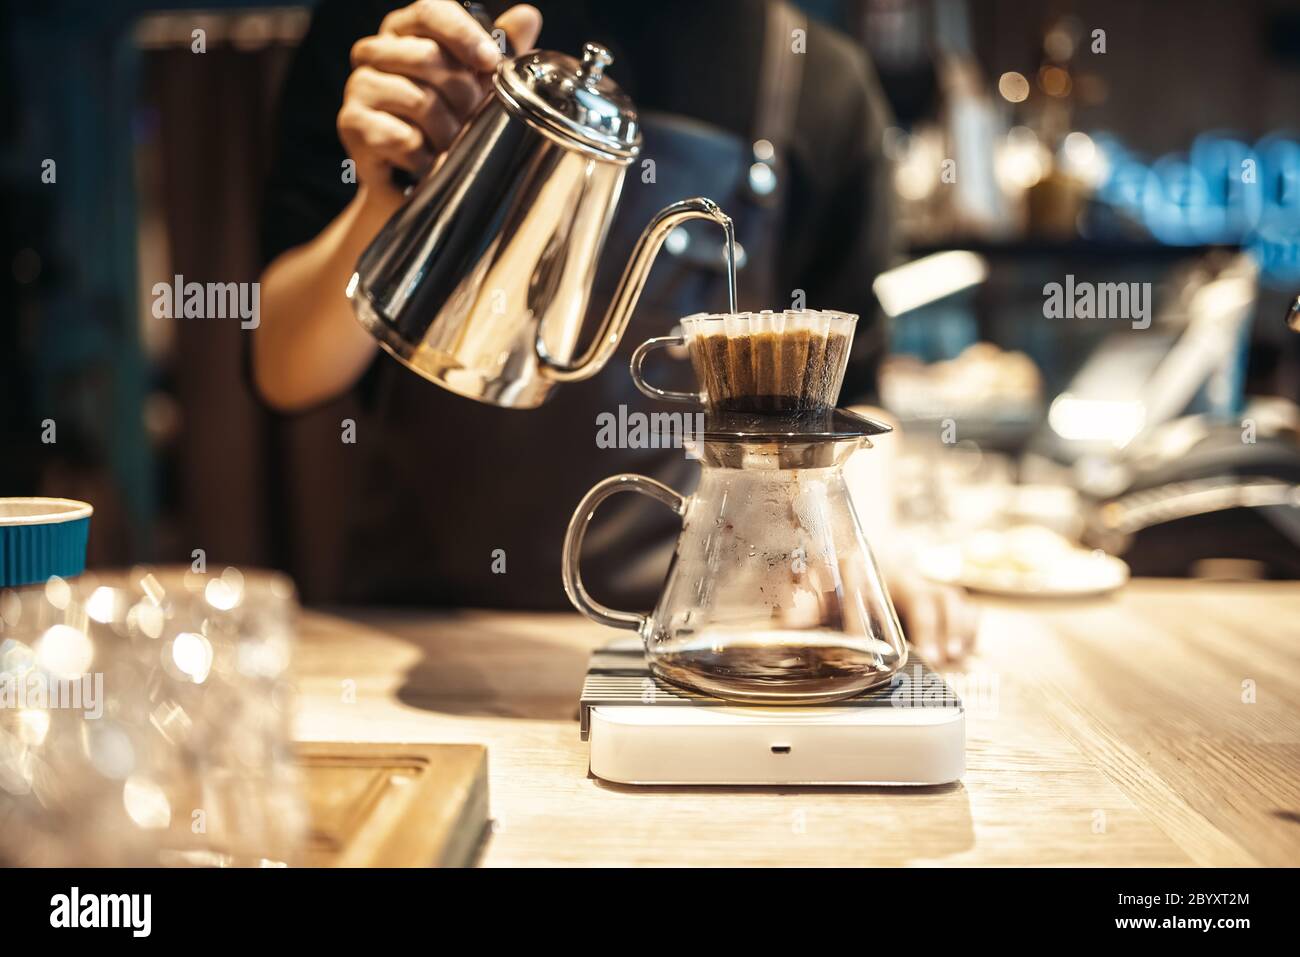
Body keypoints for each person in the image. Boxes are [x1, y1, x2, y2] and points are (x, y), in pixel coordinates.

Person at [253, 0, 977, 662]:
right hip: (422, 637)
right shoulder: (416, 45)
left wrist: (865, 551)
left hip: (709, 644)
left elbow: (848, 400)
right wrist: (389, 200)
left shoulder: (821, 82)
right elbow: (283, 368)